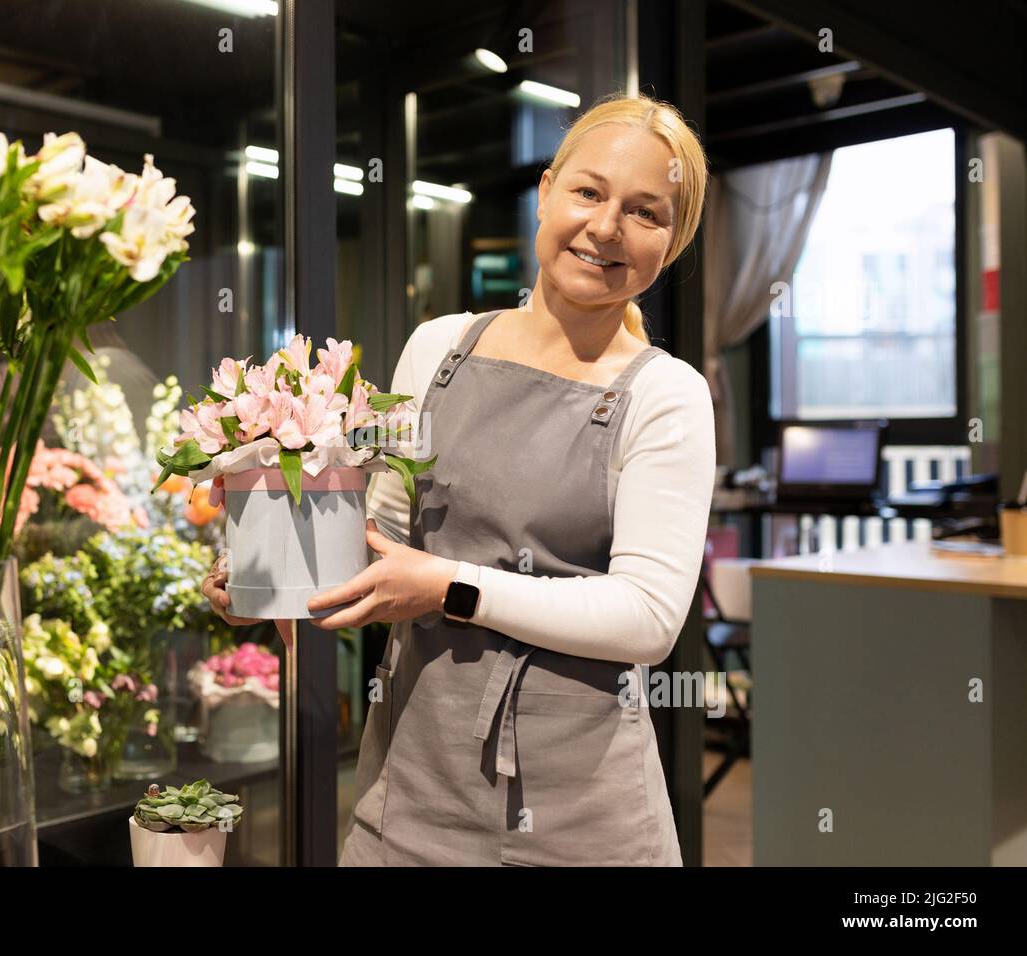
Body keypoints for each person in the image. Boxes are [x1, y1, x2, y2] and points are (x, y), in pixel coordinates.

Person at [202, 92, 715, 865]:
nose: (608, 226)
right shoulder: (440, 348)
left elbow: (646, 618)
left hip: (578, 820)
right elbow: (382, 546)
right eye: (589, 192)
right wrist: (271, 572)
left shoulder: (664, 394)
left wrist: (450, 588)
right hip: (409, 790)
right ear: (546, 192)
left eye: (645, 212)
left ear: (671, 242)